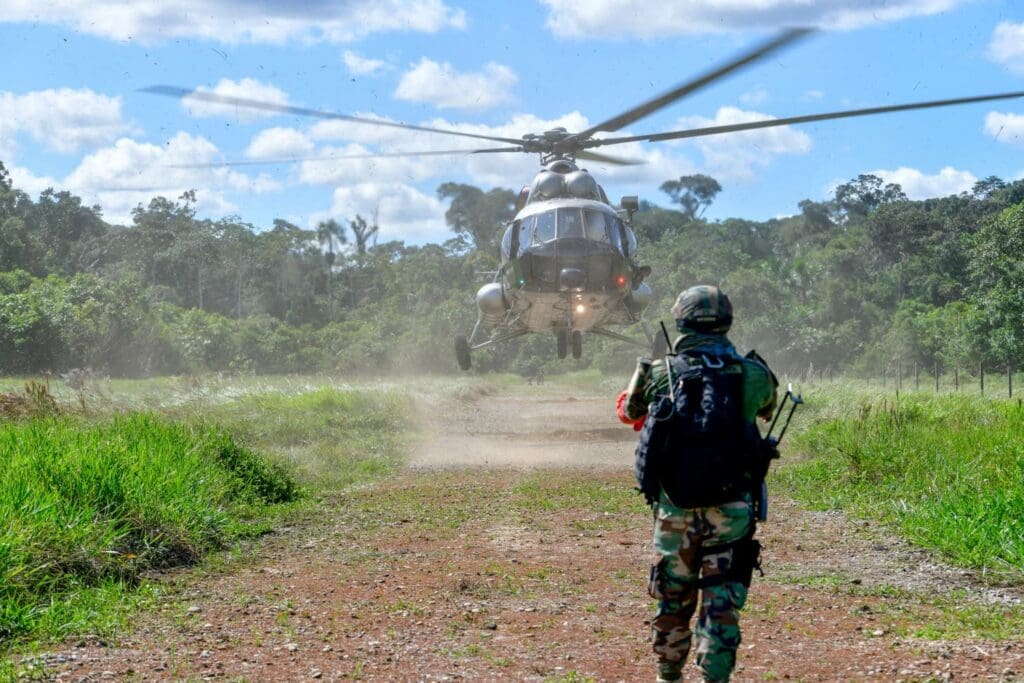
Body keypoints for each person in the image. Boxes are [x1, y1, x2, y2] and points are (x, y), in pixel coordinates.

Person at [617, 285, 777, 683]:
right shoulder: (753, 372)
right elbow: (766, 408)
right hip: (732, 509)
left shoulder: (661, 373)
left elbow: (629, 411)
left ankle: (668, 674)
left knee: (672, 598)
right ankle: (715, 677)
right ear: (727, 321)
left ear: (681, 321)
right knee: (721, 604)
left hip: (675, 507)